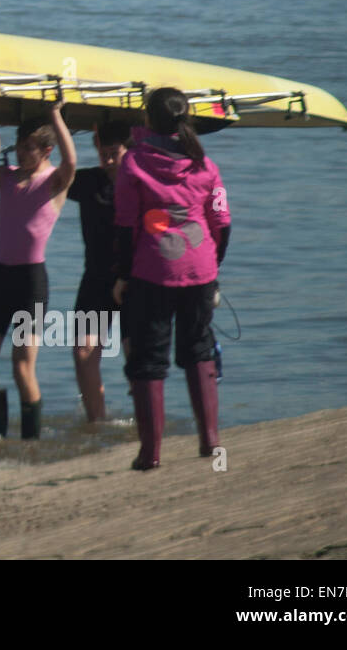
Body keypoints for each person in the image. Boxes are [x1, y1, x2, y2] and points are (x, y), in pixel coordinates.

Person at [113, 88, 231, 471]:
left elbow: (125, 225)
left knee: (149, 358)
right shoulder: (205, 164)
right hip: (200, 268)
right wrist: (213, 269)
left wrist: (120, 274)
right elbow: (222, 222)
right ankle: (210, 441)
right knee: (198, 347)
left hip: (152, 271)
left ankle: (151, 453)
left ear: (148, 120)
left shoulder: (133, 162)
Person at [0, 103, 76, 439]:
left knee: (21, 368)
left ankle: (31, 443)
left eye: (28, 148)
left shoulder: (54, 182)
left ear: (46, 150)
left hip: (31, 284)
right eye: (18, 146)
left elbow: (72, 161)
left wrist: (56, 115)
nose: (21, 153)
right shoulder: (7, 176)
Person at [67, 120, 132, 422]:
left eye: (113, 153)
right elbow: (46, 177)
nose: (106, 161)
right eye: (102, 152)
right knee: (82, 353)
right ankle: (97, 423)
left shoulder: (141, 182)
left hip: (134, 280)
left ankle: (145, 421)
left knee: (136, 357)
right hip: (95, 279)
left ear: (128, 151)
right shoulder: (88, 181)